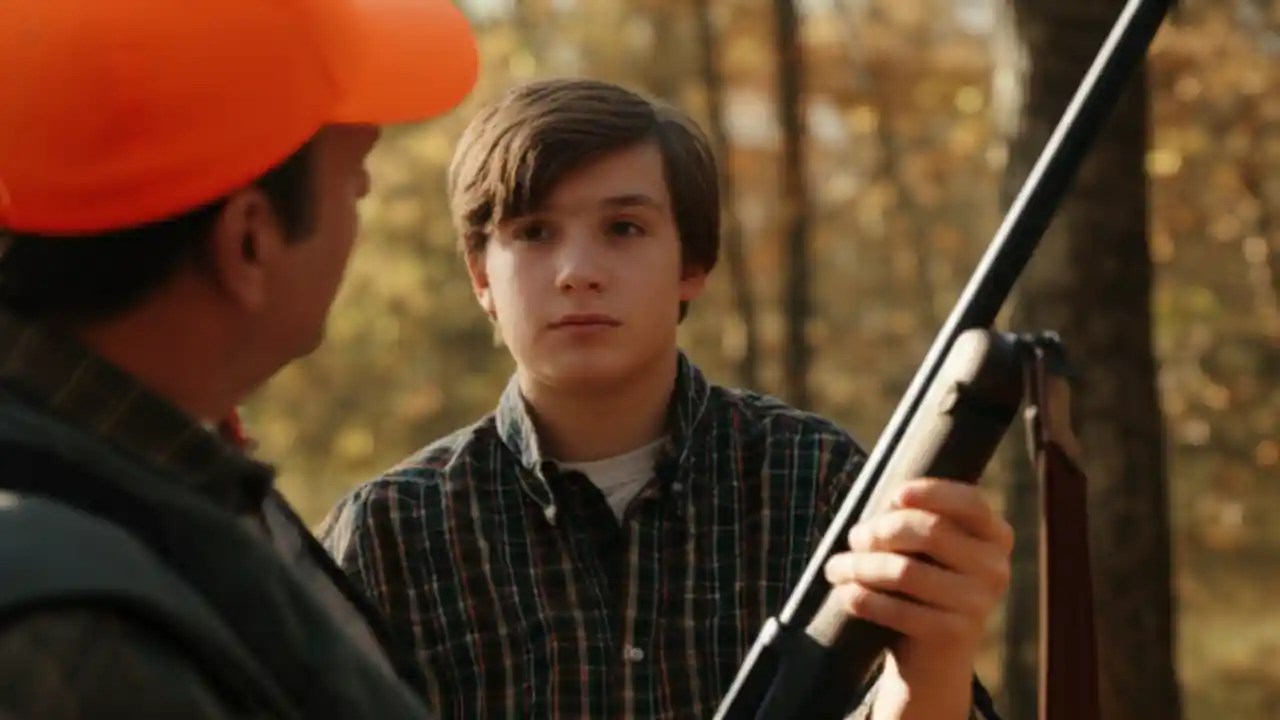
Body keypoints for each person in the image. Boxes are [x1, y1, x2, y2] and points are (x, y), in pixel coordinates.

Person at [320, 77, 1013, 719]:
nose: (577, 273)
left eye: (624, 228)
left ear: (692, 265)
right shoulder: (389, 535)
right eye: (533, 232)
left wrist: (935, 656)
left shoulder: (816, 480)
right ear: (480, 278)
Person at [0, 0, 476, 717]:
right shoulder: (78, 638)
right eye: (357, 178)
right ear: (249, 242)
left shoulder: (142, 480)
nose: (363, 202)